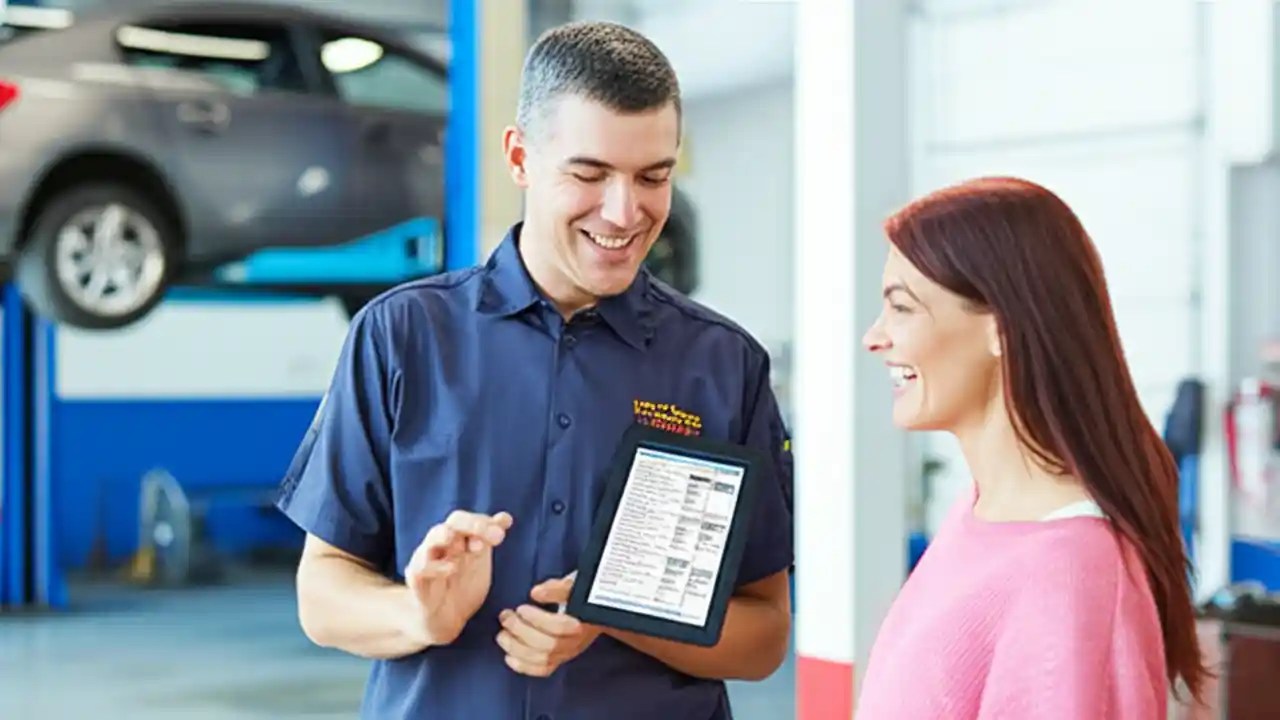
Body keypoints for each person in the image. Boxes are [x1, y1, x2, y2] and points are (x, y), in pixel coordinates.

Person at [275, 20, 794, 720]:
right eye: (588, 173)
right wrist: (421, 616)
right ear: (520, 156)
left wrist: (614, 616)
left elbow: (763, 634)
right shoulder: (403, 338)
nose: (624, 211)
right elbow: (323, 594)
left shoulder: (721, 366)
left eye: (653, 176)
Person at [854, 176, 1209, 718]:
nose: (874, 336)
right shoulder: (981, 514)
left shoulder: (1068, 574)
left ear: (1002, 327)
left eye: (901, 307)